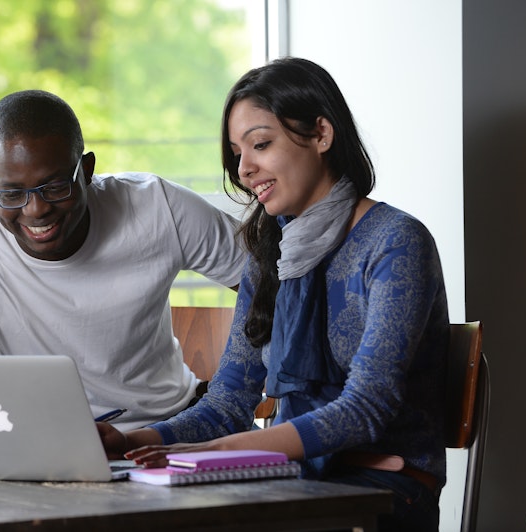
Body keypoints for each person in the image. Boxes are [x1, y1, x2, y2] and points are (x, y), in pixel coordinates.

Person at [99, 57, 449, 531]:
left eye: (261, 144)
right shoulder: (271, 255)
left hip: (385, 493)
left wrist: (214, 454)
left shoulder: (397, 241)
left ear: (322, 135)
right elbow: (228, 404)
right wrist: (128, 439)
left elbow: (366, 408)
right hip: (293, 483)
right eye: (236, 153)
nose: (244, 169)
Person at [0, 89, 246, 432]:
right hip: (42, 441)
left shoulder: (156, 207)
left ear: (86, 170)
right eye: (12, 193)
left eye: (55, 186)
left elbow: (275, 278)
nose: (36, 209)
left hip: (171, 430)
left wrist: (234, 388)